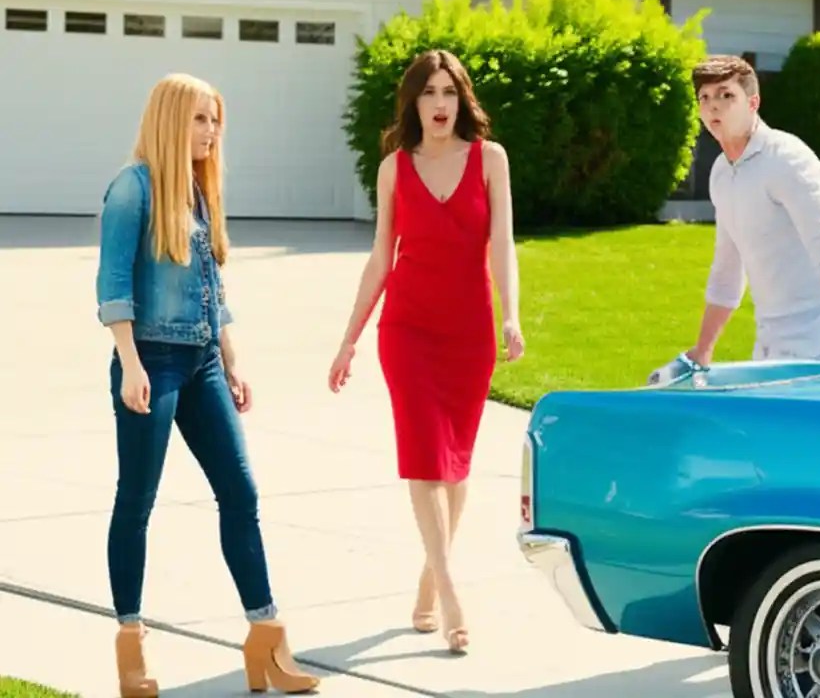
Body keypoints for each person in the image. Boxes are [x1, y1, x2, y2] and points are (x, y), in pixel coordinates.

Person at [94, 73, 319, 697]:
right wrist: (131, 364)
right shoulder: (131, 189)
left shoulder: (199, 190)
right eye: (200, 119)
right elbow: (113, 283)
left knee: (241, 492)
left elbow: (213, 292)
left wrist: (233, 360)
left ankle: (267, 642)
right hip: (152, 363)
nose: (212, 131)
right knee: (136, 500)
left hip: (203, 365)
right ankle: (131, 644)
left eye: (216, 120)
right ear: (170, 119)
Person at [327, 49, 523, 655]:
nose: (439, 104)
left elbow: (503, 245)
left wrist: (510, 313)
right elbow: (381, 255)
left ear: (462, 99)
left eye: (449, 92)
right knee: (422, 456)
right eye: (428, 93)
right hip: (407, 329)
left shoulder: (490, 159)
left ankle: (428, 574)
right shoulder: (394, 168)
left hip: (469, 333)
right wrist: (350, 336)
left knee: (454, 464)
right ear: (413, 102)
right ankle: (451, 590)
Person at [681, 55, 820, 372]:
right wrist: (703, 350)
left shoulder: (788, 160)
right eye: (705, 98)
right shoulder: (722, 174)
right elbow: (727, 270)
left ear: (753, 102)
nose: (713, 106)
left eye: (726, 95)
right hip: (769, 347)